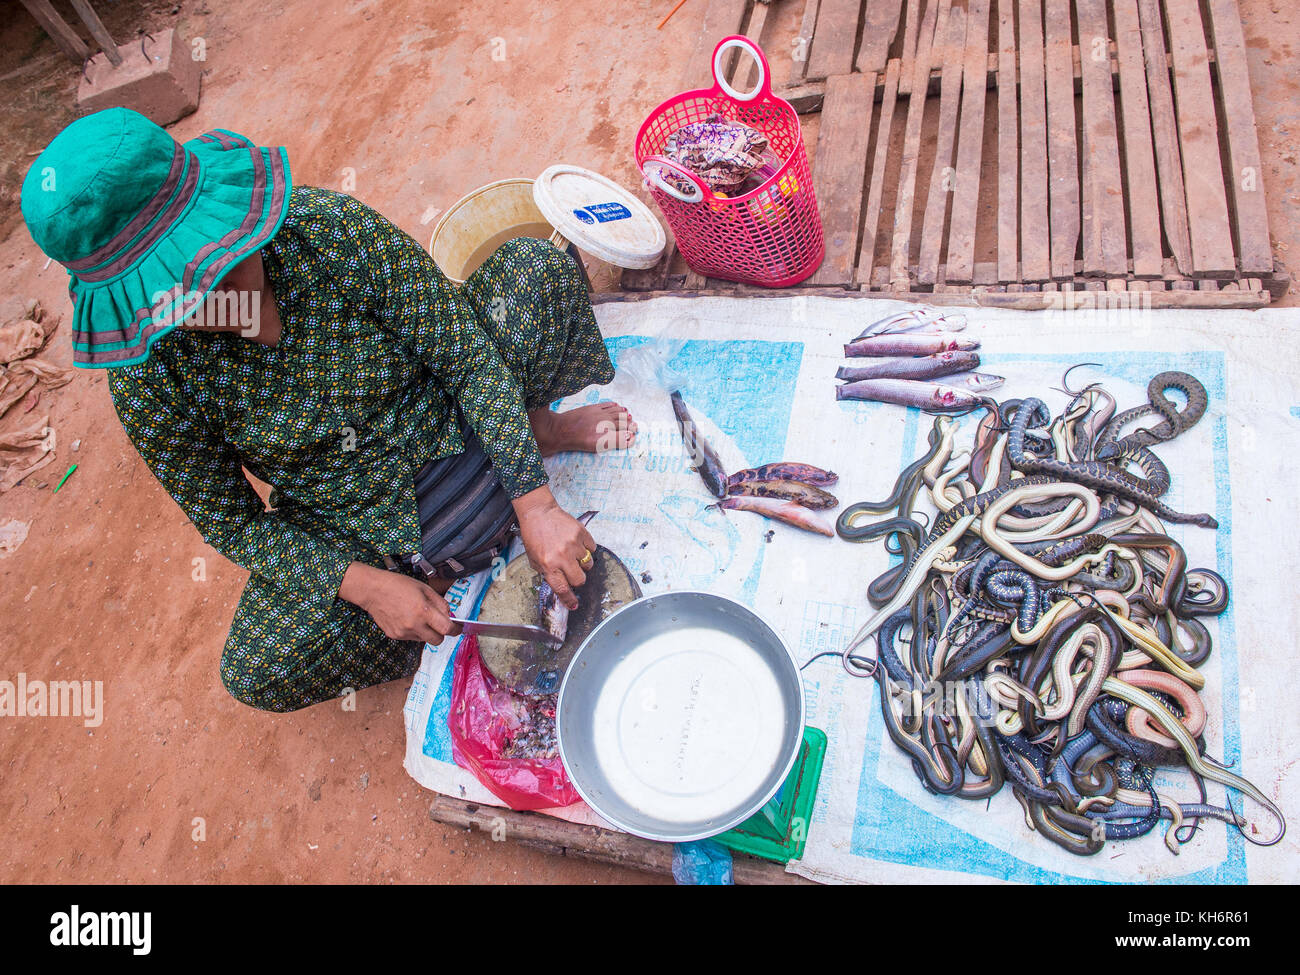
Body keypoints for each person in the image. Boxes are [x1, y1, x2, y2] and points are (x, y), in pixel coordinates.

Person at [21, 108, 636, 712]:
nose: (219, 288)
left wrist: (538, 503)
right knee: (258, 670)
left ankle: (537, 434)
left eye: (218, 253)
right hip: (355, 520)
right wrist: (369, 588)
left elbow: (463, 350)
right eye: (181, 290)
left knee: (535, 269)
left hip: (449, 413)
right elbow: (235, 524)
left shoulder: (321, 227)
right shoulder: (147, 380)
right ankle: (427, 588)